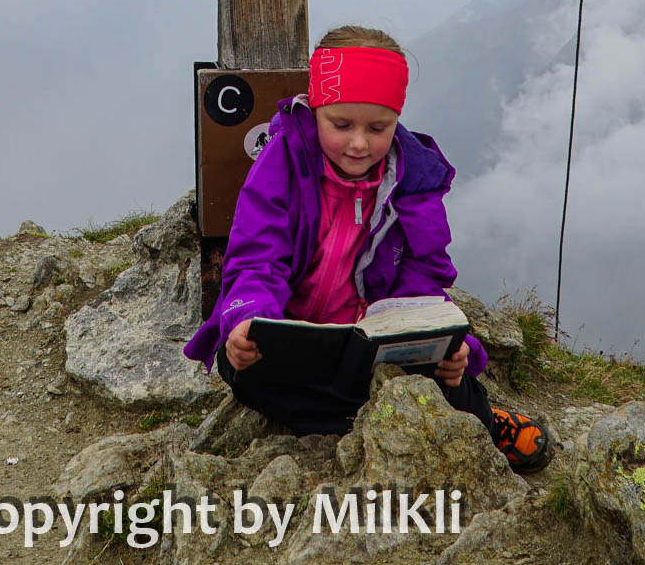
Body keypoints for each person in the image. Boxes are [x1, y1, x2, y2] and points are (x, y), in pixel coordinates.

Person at [184, 25, 552, 471]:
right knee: (244, 371)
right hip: (293, 336)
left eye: (378, 128)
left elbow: (424, 276)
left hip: (375, 344)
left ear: (397, 119)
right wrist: (245, 320)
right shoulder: (281, 163)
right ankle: (374, 418)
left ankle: (481, 422)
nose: (359, 143)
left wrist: (452, 347)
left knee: (447, 376)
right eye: (341, 125)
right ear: (316, 108)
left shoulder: (414, 180)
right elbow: (256, 259)